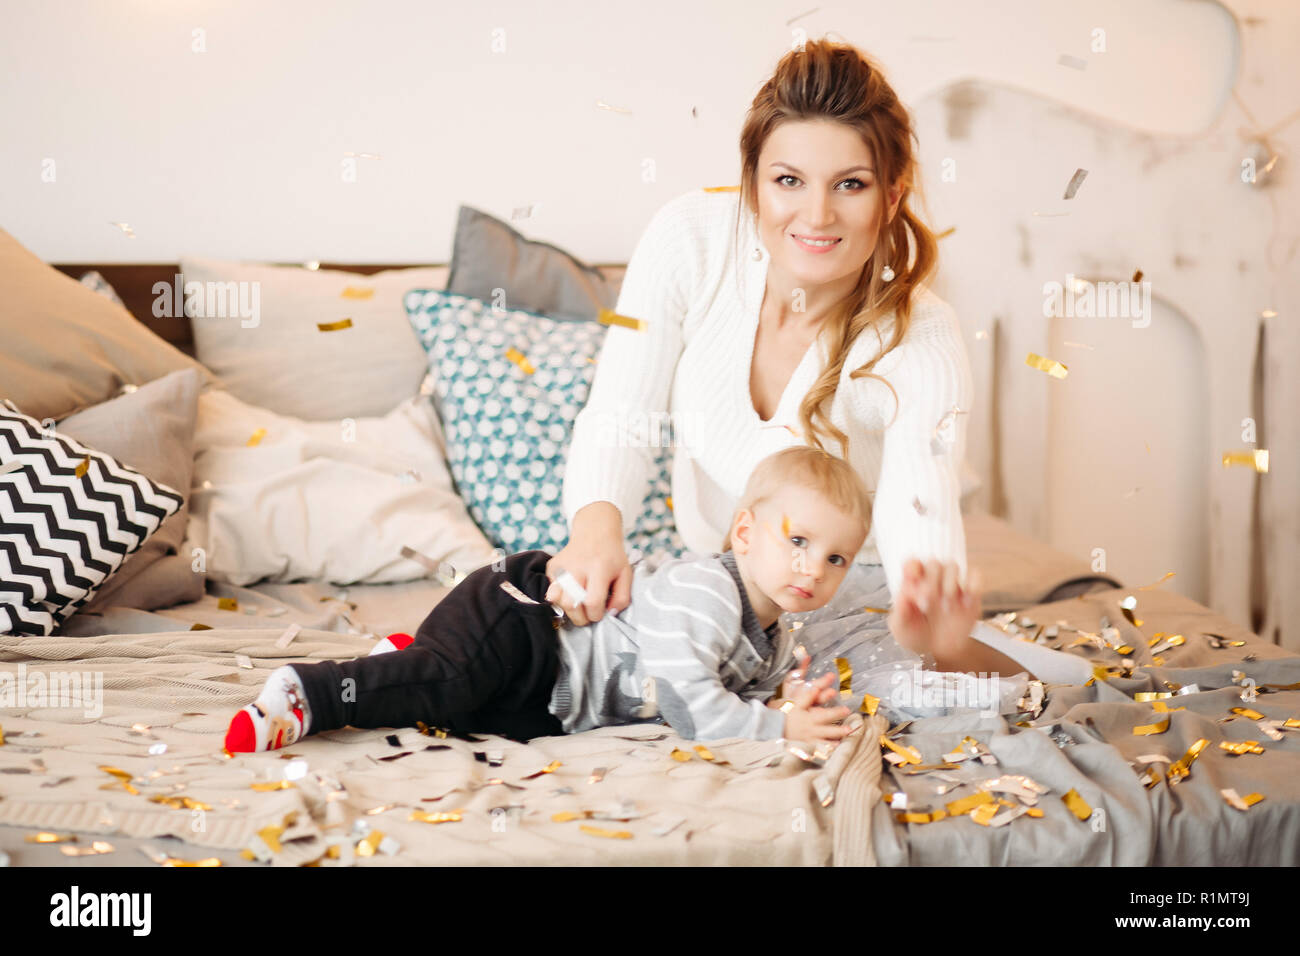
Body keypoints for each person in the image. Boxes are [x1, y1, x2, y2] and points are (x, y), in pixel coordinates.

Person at [548, 39, 978, 642]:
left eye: (851, 184)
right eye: (789, 180)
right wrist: (595, 531)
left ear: (892, 196)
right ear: (753, 185)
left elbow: (920, 496)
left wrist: (925, 593)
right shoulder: (688, 242)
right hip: (715, 583)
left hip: (858, 598)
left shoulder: (921, 337)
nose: (817, 215)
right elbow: (622, 412)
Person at [223, 446, 1005, 753]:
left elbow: (749, 683)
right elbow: (692, 701)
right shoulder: (707, 591)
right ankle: (310, 694)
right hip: (530, 619)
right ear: (744, 532)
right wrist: (777, 728)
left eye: (836, 558)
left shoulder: (776, 629)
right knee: (460, 680)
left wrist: (793, 693)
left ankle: (404, 661)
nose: (814, 568)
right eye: (798, 541)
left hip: (553, 696)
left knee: (483, 721)